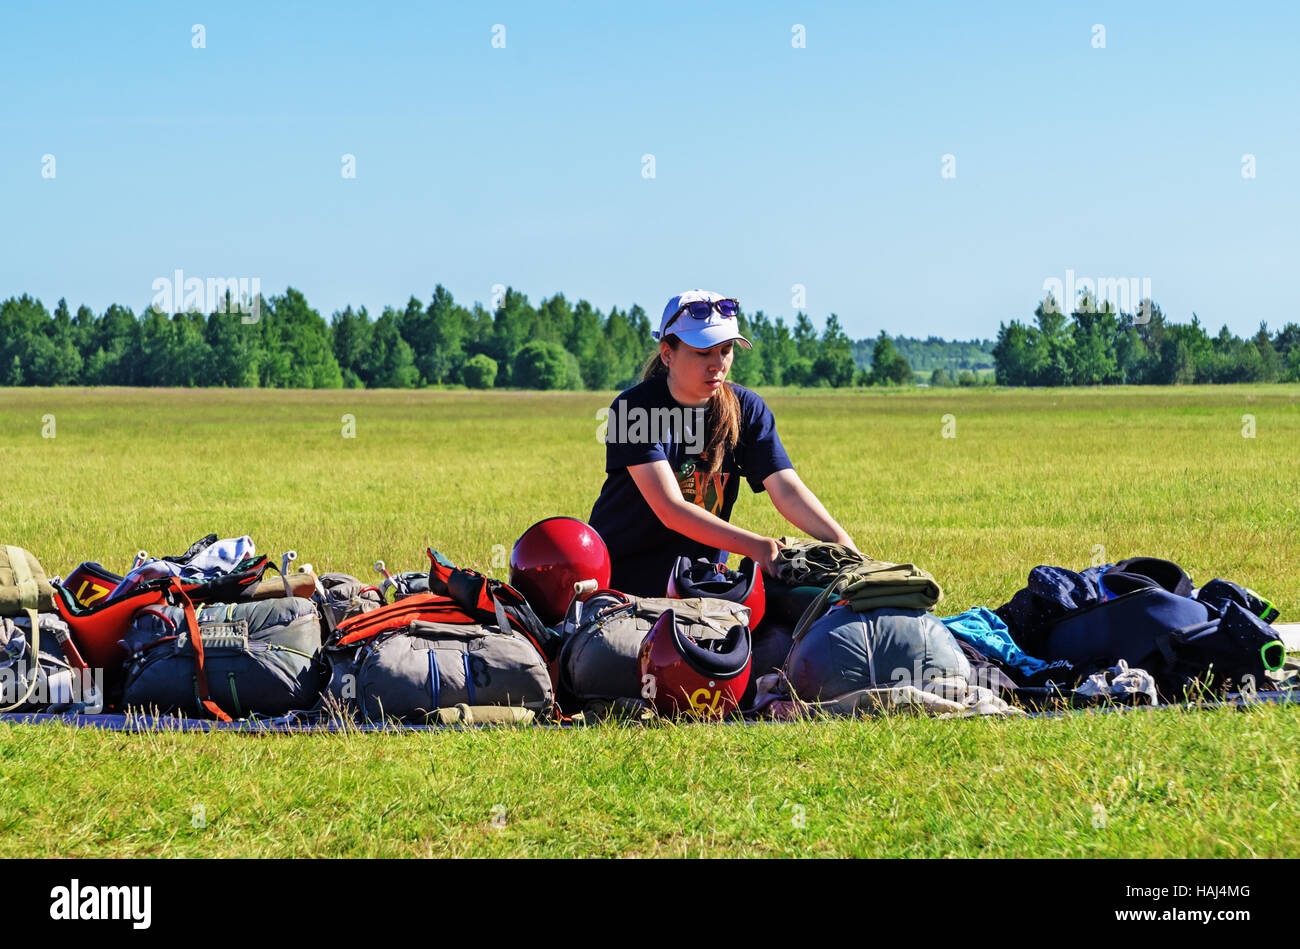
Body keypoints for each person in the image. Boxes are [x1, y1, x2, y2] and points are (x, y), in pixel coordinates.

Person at [589, 288, 857, 597]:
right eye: (703, 352)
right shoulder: (634, 409)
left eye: (726, 350)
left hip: (701, 581)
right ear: (667, 354)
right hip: (624, 582)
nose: (718, 363)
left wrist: (844, 545)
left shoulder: (747, 409)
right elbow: (671, 509)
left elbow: (786, 489)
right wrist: (755, 546)